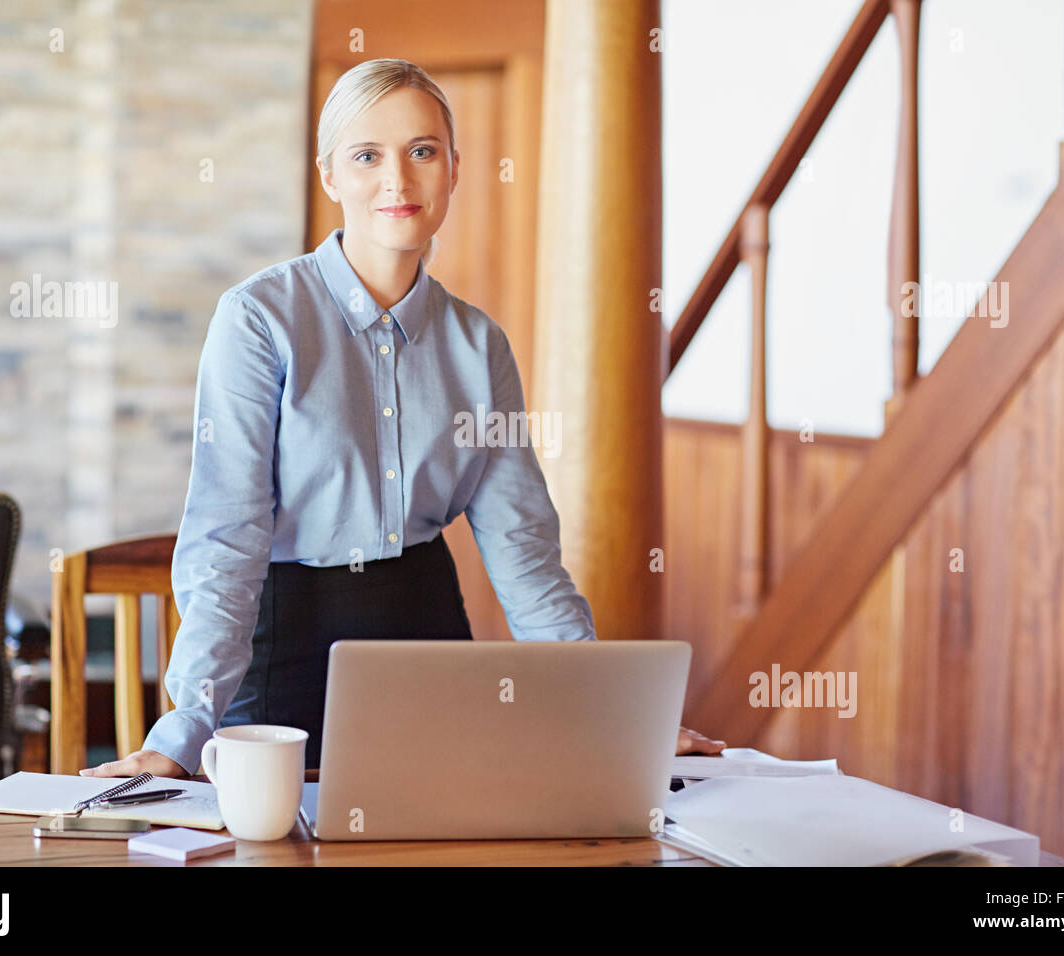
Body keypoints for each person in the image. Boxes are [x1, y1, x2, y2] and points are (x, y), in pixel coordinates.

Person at [83, 58, 724, 780]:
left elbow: (522, 547)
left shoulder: (480, 345)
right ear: (330, 175)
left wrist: (618, 713)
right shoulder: (258, 320)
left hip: (428, 644)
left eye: (422, 151)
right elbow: (228, 535)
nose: (398, 179)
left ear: (453, 169)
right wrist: (184, 730)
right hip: (282, 644)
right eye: (367, 155)